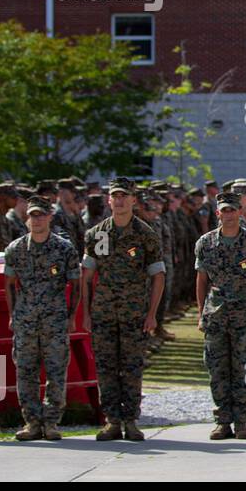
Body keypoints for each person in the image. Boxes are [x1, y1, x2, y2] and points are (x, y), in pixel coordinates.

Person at [81, 178, 166, 442]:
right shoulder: (96, 234)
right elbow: (86, 277)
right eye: (114, 196)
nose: (118, 201)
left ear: (132, 200)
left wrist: (152, 313)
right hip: (104, 313)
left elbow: (158, 276)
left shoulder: (146, 234)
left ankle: (131, 420)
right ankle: (112, 421)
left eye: (124, 196)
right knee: (106, 368)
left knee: (131, 367)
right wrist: (85, 313)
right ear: (108, 200)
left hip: (134, 313)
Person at [195, 191, 246, 440]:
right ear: (217, 213)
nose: (228, 214)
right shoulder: (205, 243)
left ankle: (242, 421)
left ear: (240, 212)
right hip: (216, 316)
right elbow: (201, 280)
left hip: (244, 316)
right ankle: (222, 421)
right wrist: (201, 314)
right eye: (224, 210)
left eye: (233, 209)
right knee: (217, 369)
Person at [4, 196, 82, 441]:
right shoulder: (15, 249)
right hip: (25, 320)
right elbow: (8, 285)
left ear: (50, 217)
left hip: (55, 321)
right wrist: (12, 313)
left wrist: (71, 316)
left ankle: (51, 422)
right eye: (32, 215)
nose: (36, 220)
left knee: (56, 371)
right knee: (25, 372)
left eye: (41, 215)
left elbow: (76, 284)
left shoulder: (64, 248)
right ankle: (32, 422)